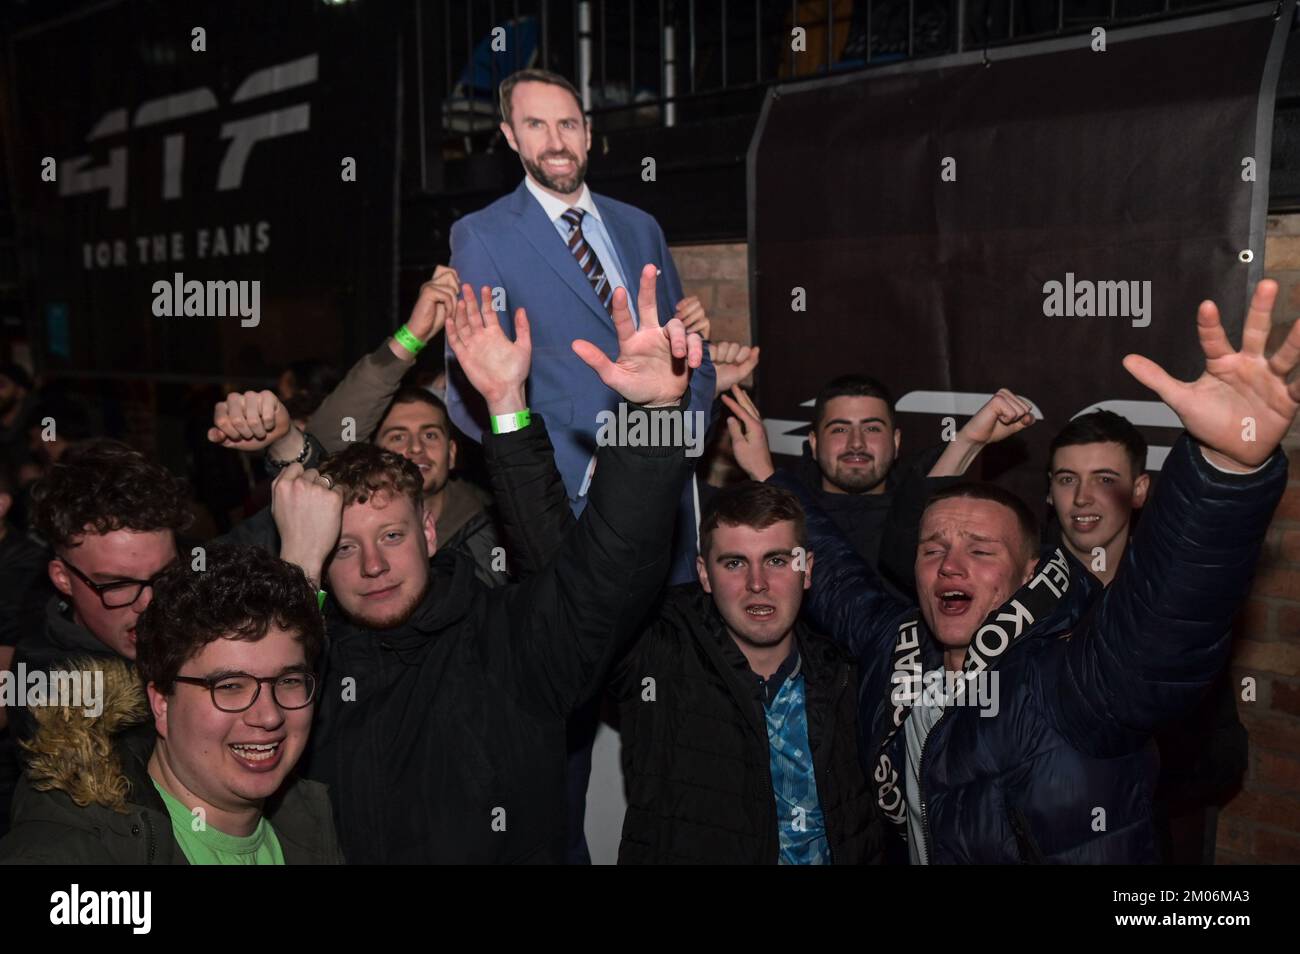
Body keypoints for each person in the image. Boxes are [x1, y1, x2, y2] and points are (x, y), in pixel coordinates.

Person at [724, 279, 1294, 863]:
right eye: (933, 548)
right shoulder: (896, 646)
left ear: (1028, 573)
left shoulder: (1067, 679)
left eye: (980, 549)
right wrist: (768, 473)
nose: (950, 563)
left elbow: (1168, 617)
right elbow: (841, 577)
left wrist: (1224, 470)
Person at [278, 267, 702, 863]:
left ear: (428, 529)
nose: (372, 564)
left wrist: (654, 415)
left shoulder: (509, 639)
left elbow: (606, 568)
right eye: (345, 546)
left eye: (392, 534)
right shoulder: (301, 671)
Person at [0, 544, 343, 864]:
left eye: (289, 681)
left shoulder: (309, 822)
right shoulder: (78, 844)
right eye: (230, 686)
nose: (269, 716)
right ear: (161, 703)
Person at [1047, 410, 1247, 863]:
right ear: (1049, 489)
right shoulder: (1014, 593)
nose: (1082, 498)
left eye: (1103, 479)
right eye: (1066, 479)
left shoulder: (1175, 603)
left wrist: (1130, 764)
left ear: (1139, 491)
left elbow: (1223, 755)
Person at [8, 440, 192, 747]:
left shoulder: (185, 591)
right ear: (63, 578)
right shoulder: (44, 683)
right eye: (118, 585)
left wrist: (287, 448)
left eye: (164, 576)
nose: (148, 603)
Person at [373, 386, 503, 586]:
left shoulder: (494, 532)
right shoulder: (355, 535)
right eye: (398, 437)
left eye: (430, 435)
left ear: (451, 454)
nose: (416, 448)